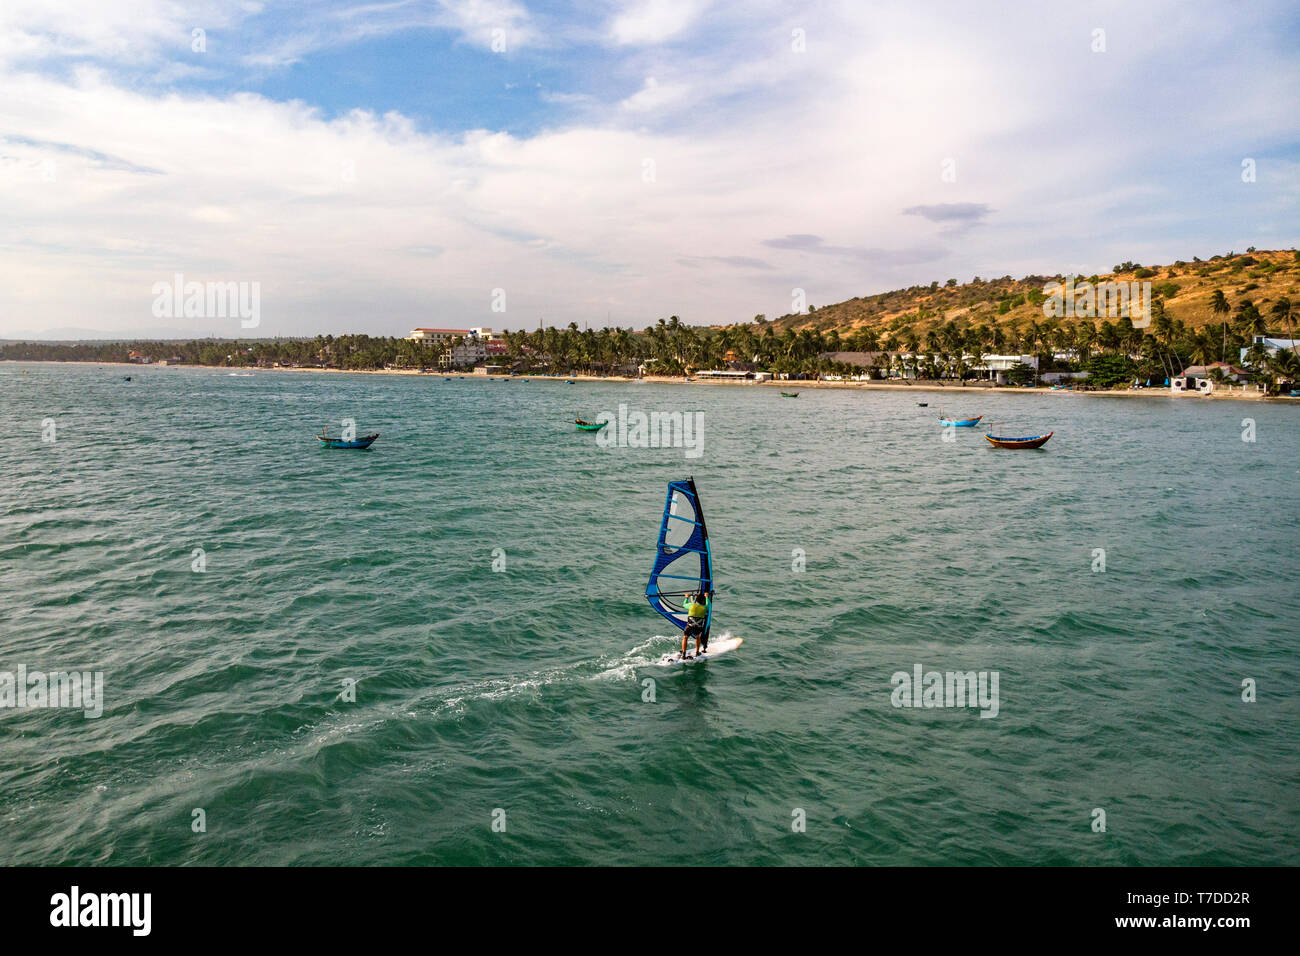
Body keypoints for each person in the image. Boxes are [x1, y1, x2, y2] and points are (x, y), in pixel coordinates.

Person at [681, 591, 711, 658]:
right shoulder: (704, 608)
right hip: (698, 628)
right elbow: (708, 605)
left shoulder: (691, 605)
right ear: (702, 601)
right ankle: (697, 652)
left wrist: (686, 597)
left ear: (696, 600)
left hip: (689, 627)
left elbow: (684, 604)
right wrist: (706, 597)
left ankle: (683, 654)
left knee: (685, 637)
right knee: (697, 637)